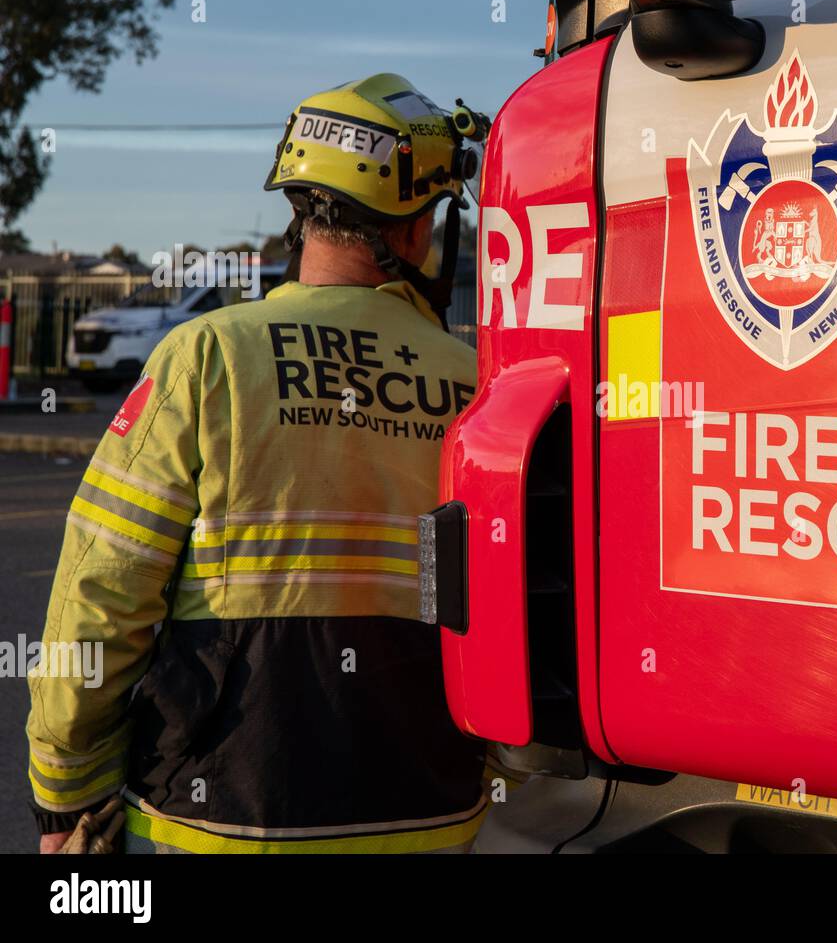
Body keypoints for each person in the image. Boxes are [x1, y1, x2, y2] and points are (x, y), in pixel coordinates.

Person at [28, 73, 491, 853]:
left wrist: (64, 791)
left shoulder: (206, 356)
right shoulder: (476, 383)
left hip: (216, 821)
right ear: (415, 232)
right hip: (431, 814)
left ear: (299, 214)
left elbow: (101, 588)